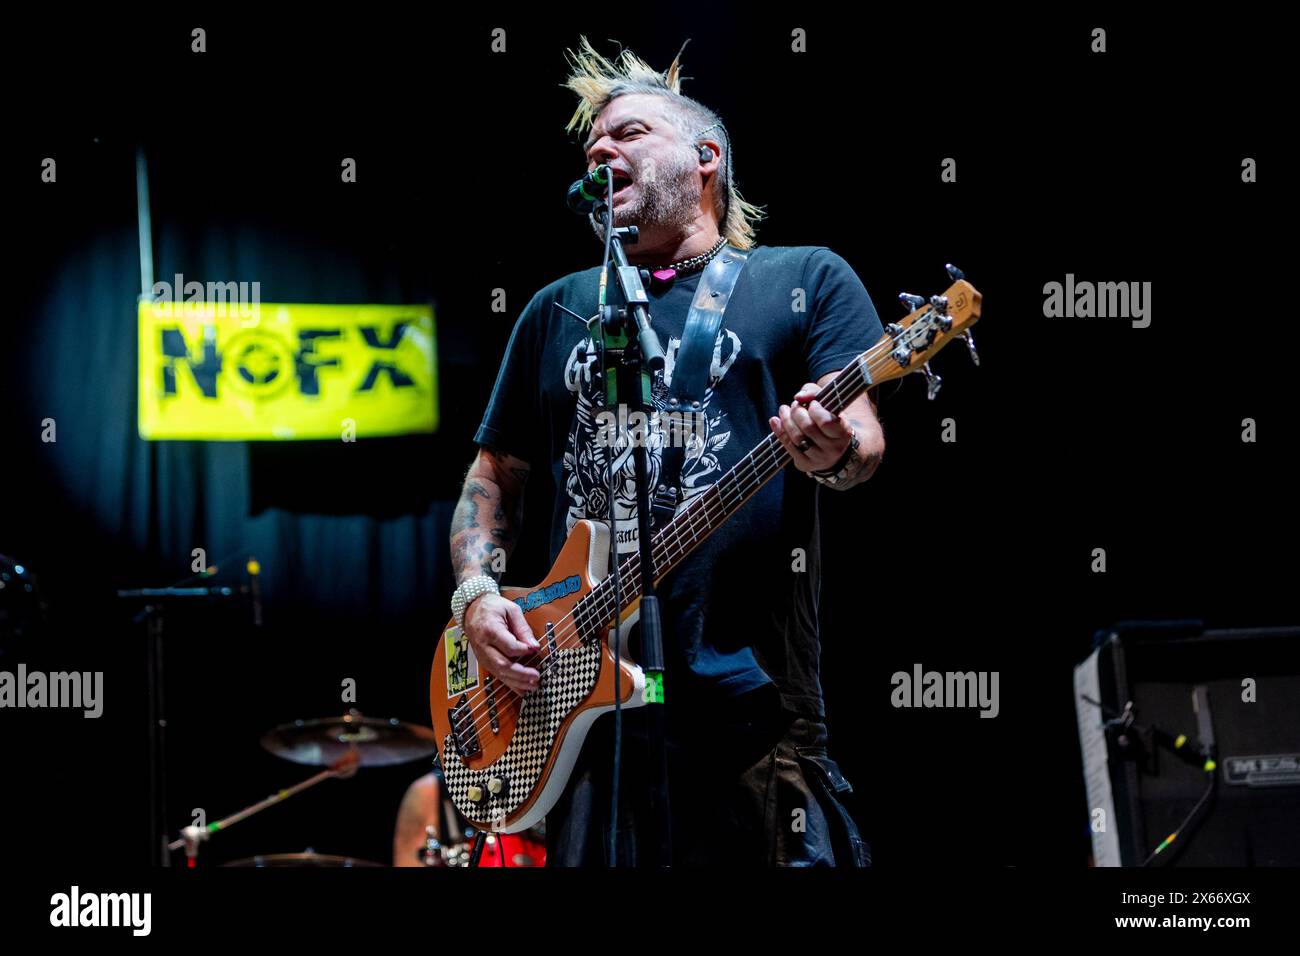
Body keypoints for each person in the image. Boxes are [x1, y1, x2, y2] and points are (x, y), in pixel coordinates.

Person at [447, 37, 885, 866]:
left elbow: (860, 444)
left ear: (706, 157)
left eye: (630, 134)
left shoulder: (802, 279)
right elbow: (493, 474)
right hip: (578, 712)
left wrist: (828, 449)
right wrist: (475, 598)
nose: (602, 150)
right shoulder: (558, 307)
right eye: (592, 147)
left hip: (748, 704)